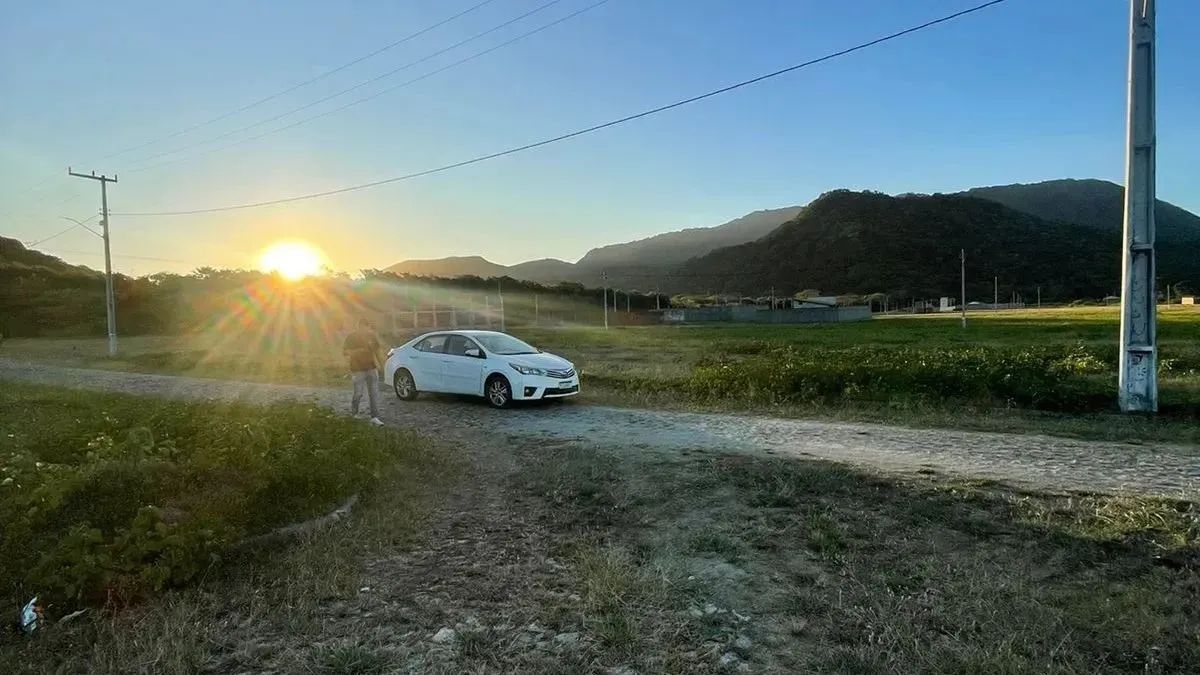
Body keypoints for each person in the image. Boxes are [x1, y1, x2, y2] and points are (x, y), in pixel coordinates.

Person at [342, 317, 384, 426]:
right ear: (358, 327)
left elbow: (377, 351)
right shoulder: (351, 337)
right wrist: (357, 352)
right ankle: (354, 413)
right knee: (358, 393)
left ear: (368, 327)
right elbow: (345, 352)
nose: (364, 330)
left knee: (374, 394)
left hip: (371, 368)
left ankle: (374, 417)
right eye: (362, 327)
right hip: (357, 370)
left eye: (366, 327)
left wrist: (382, 366)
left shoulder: (372, 337)